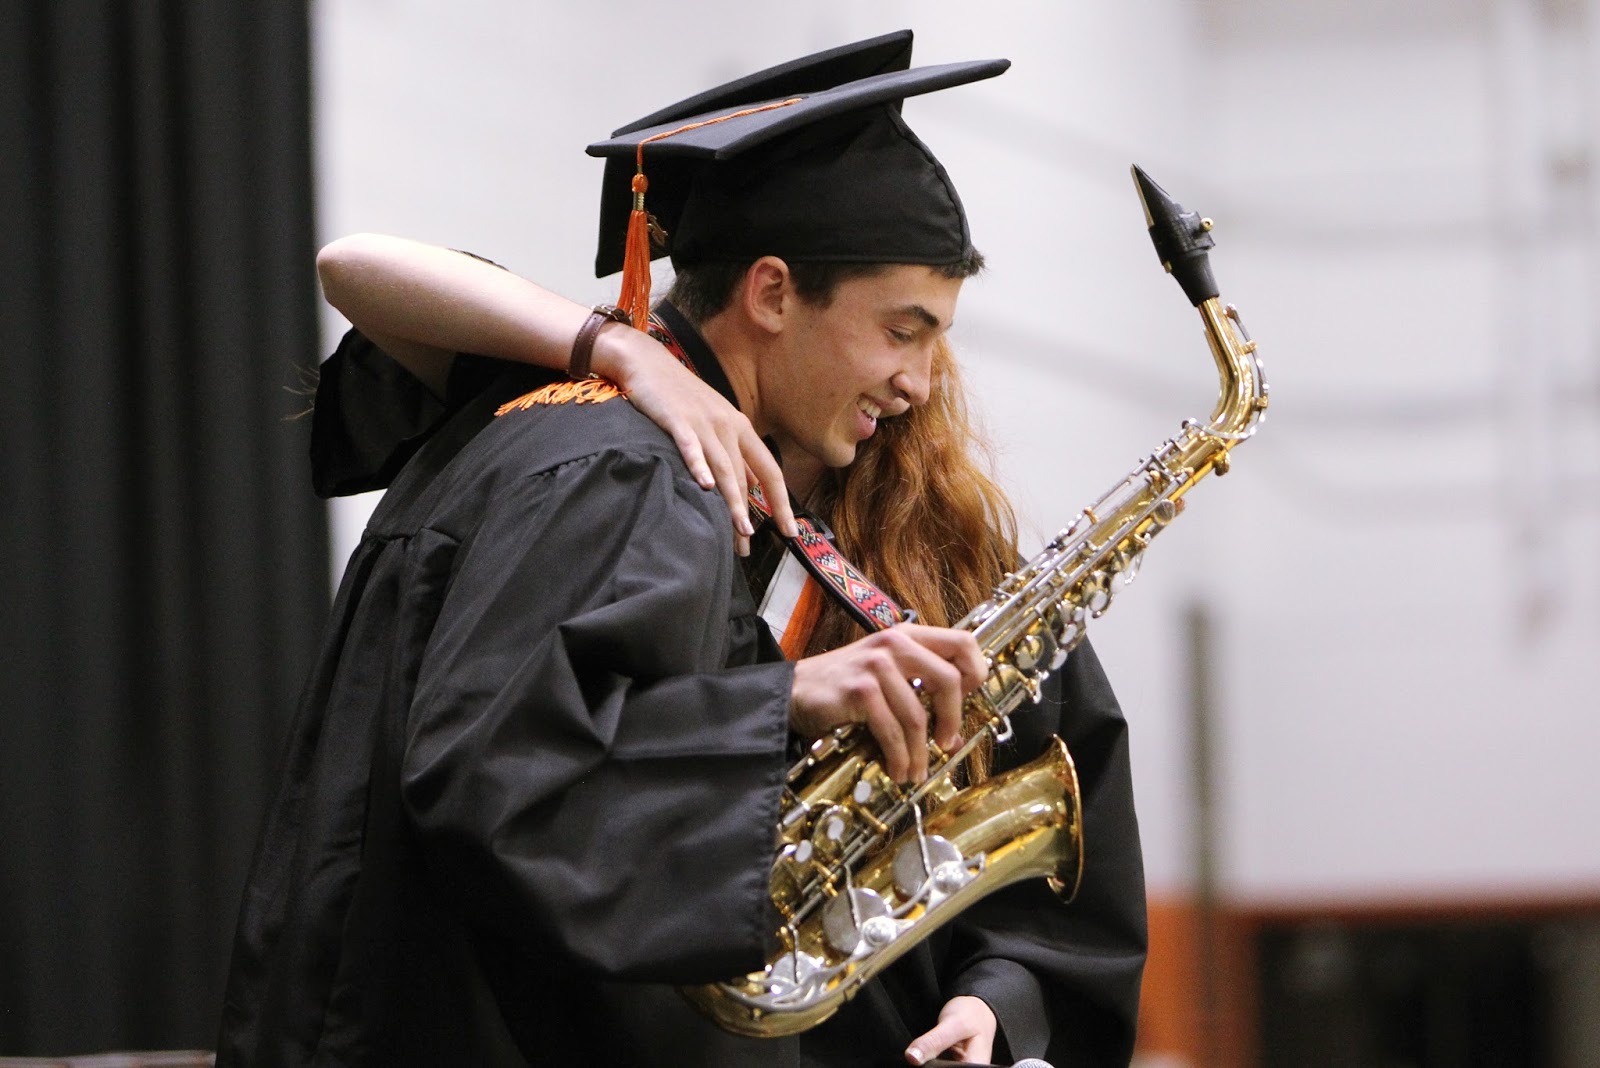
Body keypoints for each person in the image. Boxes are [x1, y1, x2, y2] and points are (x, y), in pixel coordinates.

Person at [218, 31, 1145, 1068]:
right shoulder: (625, 467)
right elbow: (506, 779)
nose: (923, 382)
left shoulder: (548, 426)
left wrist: (1000, 997)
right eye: (900, 330)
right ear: (772, 293)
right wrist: (785, 701)